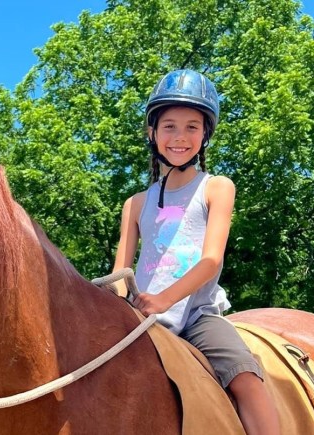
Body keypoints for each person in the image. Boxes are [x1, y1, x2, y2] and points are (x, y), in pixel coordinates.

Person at [112, 69, 280, 435]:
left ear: (205, 135)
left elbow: (211, 260)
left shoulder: (216, 187)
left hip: (196, 316)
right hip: (140, 319)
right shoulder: (135, 203)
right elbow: (120, 277)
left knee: (245, 375)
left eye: (192, 126)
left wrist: (163, 300)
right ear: (152, 133)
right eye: (169, 126)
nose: (180, 137)